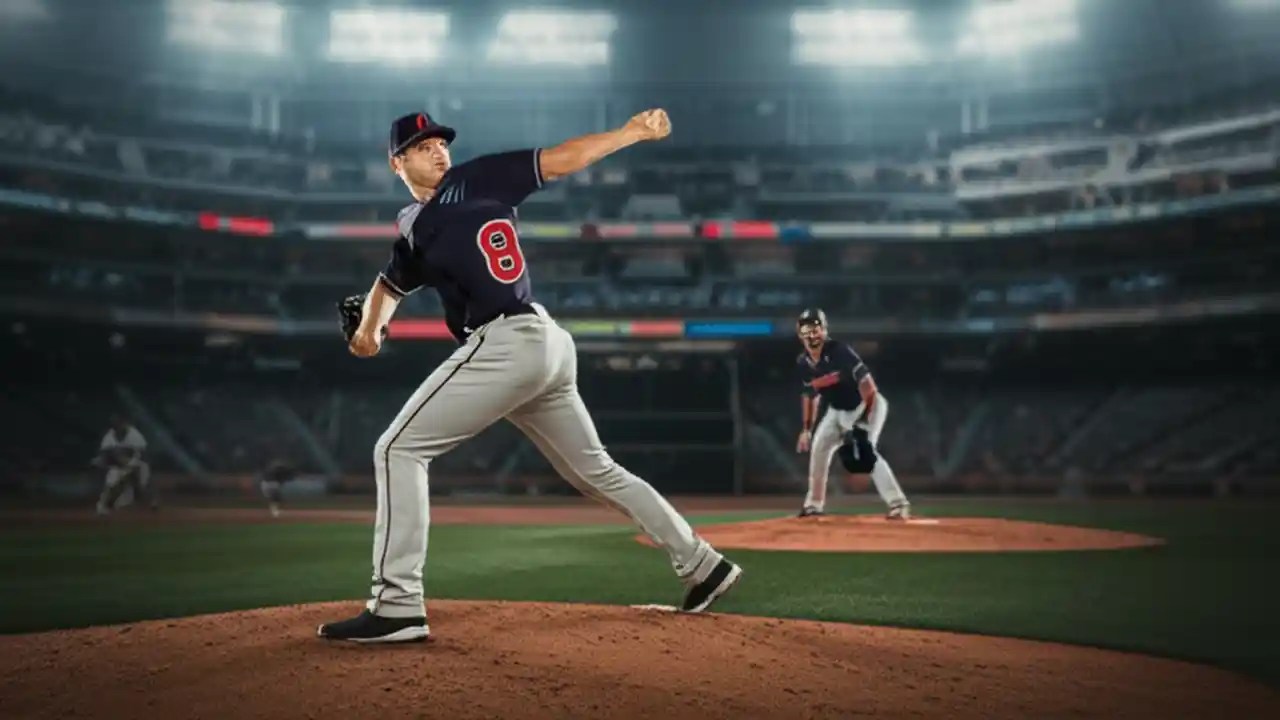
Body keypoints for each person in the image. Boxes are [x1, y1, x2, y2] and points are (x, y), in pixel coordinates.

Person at [318, 109, 742, 643]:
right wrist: (364, 333)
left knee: (397, 450)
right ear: (396, 162)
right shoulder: (415, 233)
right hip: (540, 349)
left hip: (511, 340)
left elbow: (562, 160)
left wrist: (631, 133)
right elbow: (379, 311)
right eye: (423, 146)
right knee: (598, 471)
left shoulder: (477, 177)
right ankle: (702, 564)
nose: (438, 150)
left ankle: (397, 604)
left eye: (441, 142)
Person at [793, 309, 910, 520]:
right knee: (819, 448)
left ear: (824, 330)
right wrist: (806, 429)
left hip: (865, 405)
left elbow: (869, 388)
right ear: (800, 334)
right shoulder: (803, 363)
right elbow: (810, 396)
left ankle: (898, 504)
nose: (811, 335)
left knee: (866, 452)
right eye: (806, 330)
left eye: (815, 329)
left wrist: (863, 422)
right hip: (836, 411)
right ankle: (813, 505)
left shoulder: (840, 352)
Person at [93, 414, 156, 514]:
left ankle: (150, 500)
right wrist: (113, 462)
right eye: (115, 424)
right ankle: (106, 503)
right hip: (117, 466)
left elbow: (144, 456)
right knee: (113, 481)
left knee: (144, 477)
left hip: (136, 463)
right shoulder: (109, 436)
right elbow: (104, 455)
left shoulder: (135, 435)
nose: (118, 426)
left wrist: (131, 464)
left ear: (125, 423)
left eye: (120, 423)